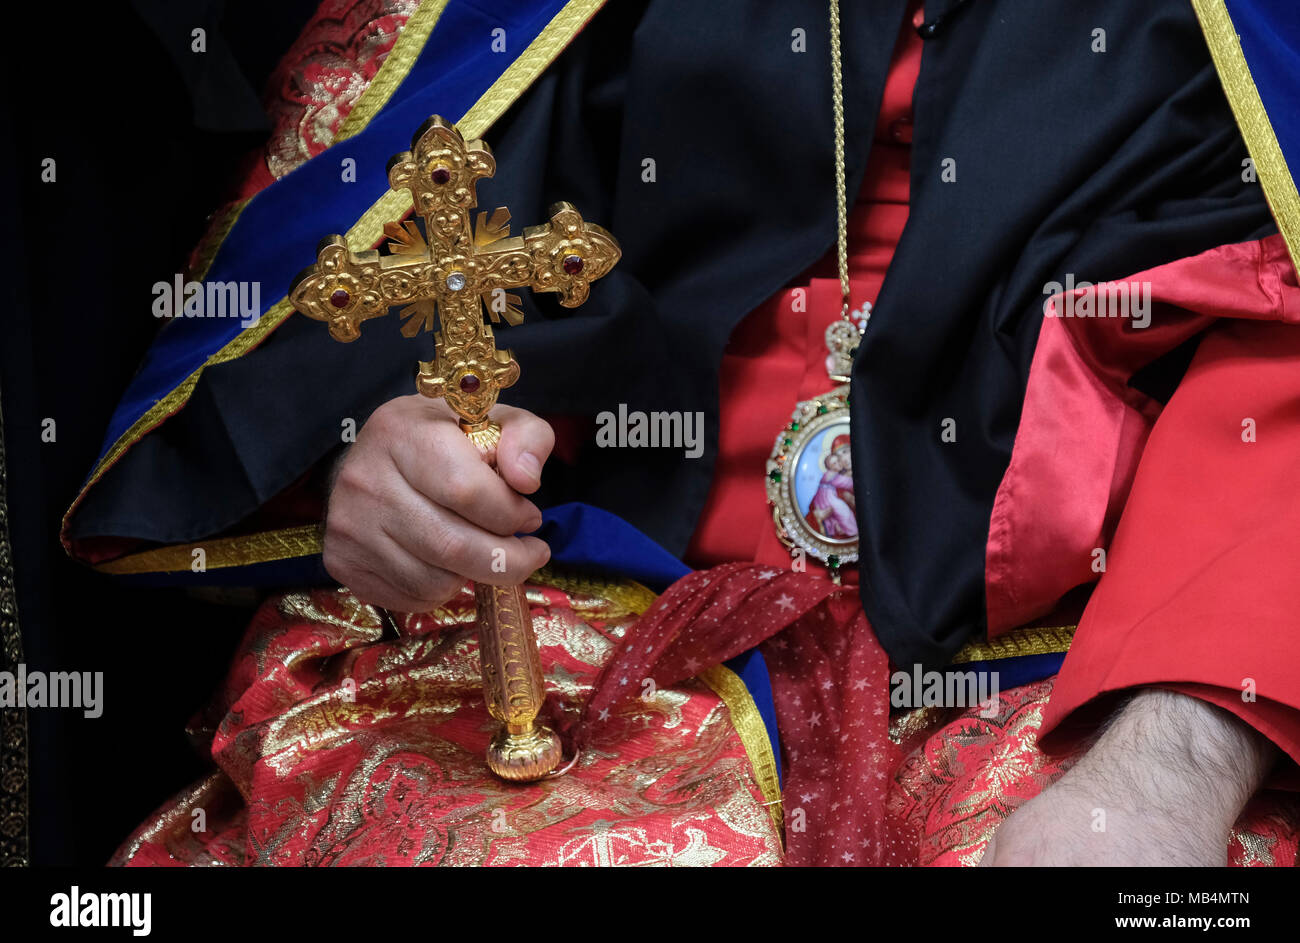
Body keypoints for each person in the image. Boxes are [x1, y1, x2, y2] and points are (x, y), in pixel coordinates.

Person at [68, 0, 1300, 866]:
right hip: (585, 592)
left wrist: (1174, 766)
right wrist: (379, 449)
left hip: (1099, 651)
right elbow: (407, 245)